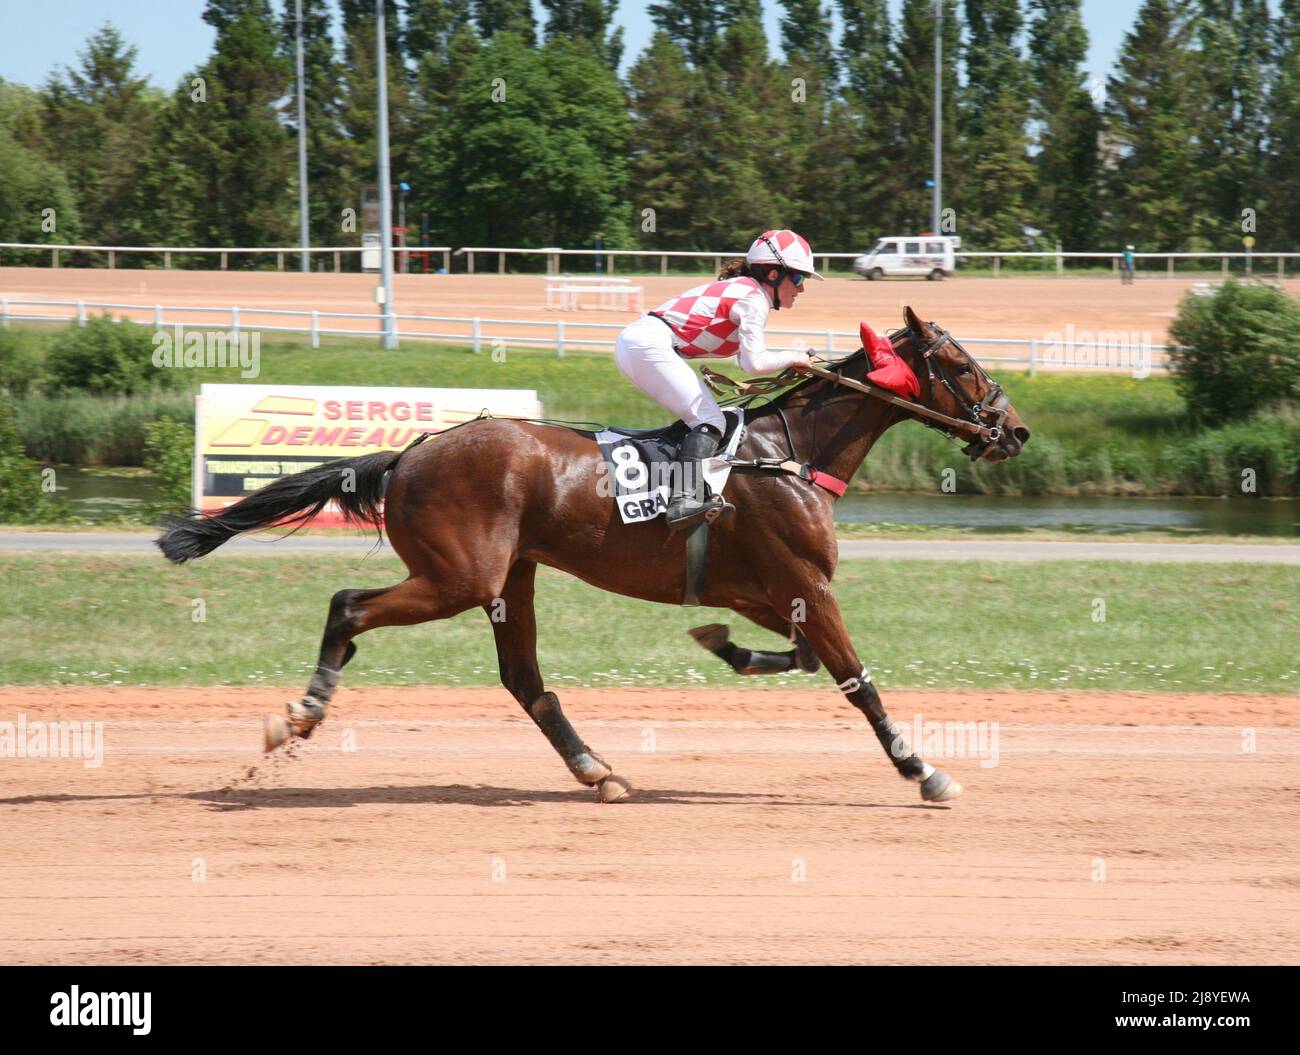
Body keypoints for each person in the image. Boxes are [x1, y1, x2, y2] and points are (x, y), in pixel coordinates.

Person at [613, 230, 823, 530]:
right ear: (774, 274)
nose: (801, 289)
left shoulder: (745, 289)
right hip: (646, 344)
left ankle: (675, 487)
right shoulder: (754, 299)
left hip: (639, 343)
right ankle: (682, 501)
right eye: (799, 279)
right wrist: (796, 356)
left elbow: (744, 360)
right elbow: (753, 363)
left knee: (702, 418)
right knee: (711, 420)